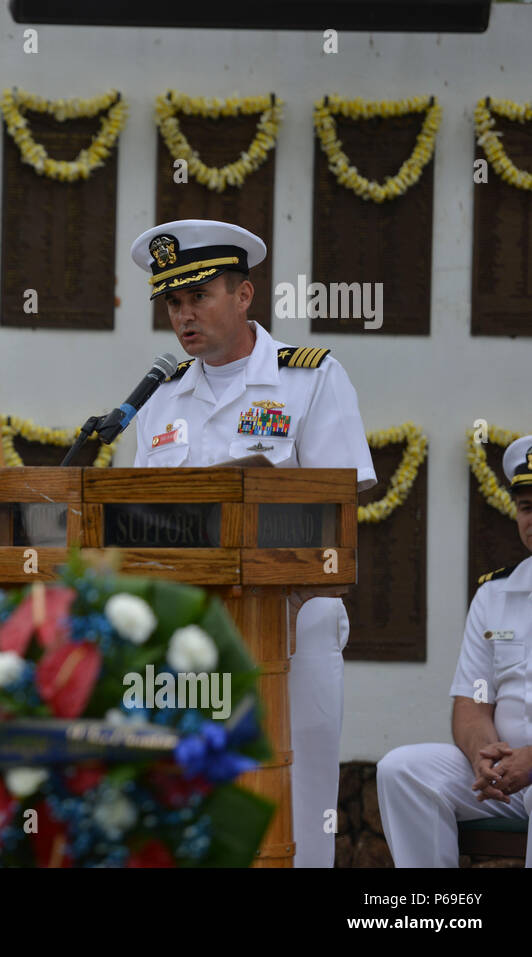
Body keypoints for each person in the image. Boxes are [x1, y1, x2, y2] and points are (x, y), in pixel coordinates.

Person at [129, 220, 377, 868]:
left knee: (298, 803)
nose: (183, 316)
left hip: (290, 632)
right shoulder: (158, 400)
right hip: (188, 637)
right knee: (197, 810)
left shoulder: (310, 379)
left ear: (244, 294)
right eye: (173, 303)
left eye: (198, 296)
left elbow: (342, 501)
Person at [377, 435, 532, 867]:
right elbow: (472, 702)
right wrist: (486, 757)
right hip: (507, 776)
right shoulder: (496, 595)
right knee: (403, 770)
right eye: (527, 507)